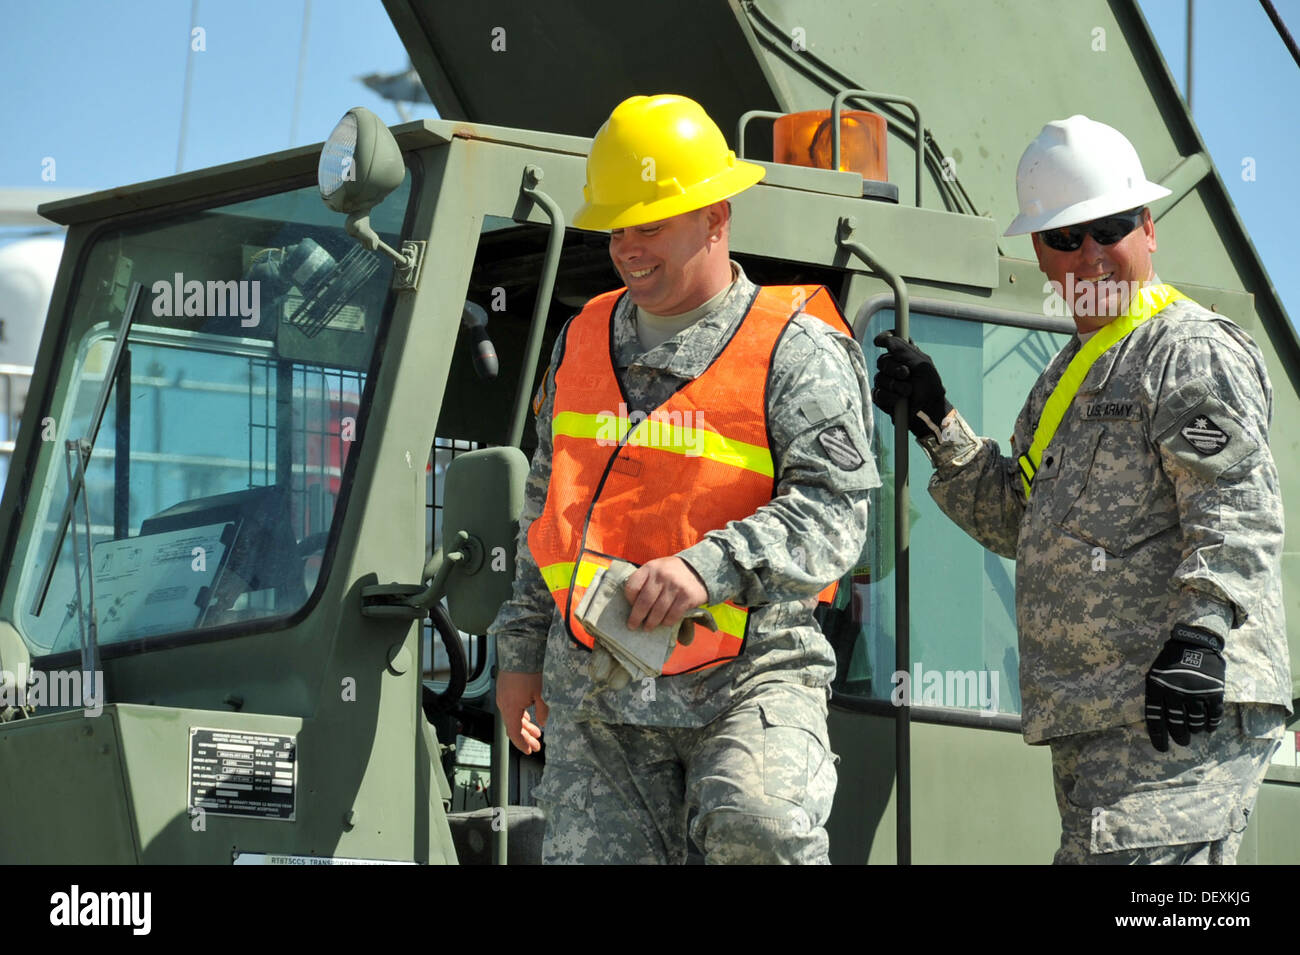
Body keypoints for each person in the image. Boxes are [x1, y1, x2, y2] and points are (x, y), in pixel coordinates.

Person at [873, 114, 1292, 864]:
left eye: (1111, 228)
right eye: (1067, 238)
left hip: (1178, 709)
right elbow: (1024, 520)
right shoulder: (1072, 373)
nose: (1091, 256)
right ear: (1040, 250)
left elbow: (1237, 511)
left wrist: (1200, 638)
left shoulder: (1186, 349)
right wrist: (940, 423)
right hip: (1103, 716)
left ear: (1149, 228)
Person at [487, 93, 877, 864]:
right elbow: (548, 507)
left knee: (758, 827)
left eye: (651, 225)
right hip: (597, 696)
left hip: (749, 680)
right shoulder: (583, 338)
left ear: (715, 217)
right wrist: (519, 652)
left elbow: (836, 512)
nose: (628, 247)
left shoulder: (796, 349)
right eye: (618, 226)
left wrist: (709, 568)